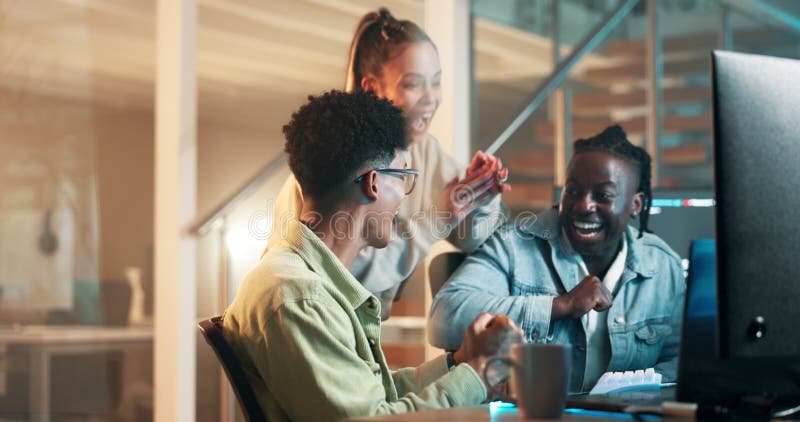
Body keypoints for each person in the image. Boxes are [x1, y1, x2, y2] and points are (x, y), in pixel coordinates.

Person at [224, 90, 523, 420]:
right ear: (374, 184)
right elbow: (373, 419)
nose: (403, 199)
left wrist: (460, 362)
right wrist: (479, 373)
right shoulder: (300, 298)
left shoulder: (306, 284)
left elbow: (374, 397)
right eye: (404, 177)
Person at [265, 8, 509, 319]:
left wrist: (482, 193)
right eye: (413, 84)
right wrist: (437, 218)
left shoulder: (424, 152)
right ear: (371, 88)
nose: (430, 99)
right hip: (310, 318)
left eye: (436, 82)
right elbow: (346, 272)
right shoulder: (338, 160)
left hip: (353, 328)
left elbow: (473, 238)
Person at [428, 125, 685, 392]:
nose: (584, 205)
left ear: (636, 205)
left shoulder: (662, 266)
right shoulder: (514, 244)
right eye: (573, 191)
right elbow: (443, 318)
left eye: (603, 196)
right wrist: (560, 306)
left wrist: (633, 393)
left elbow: (679, 363)